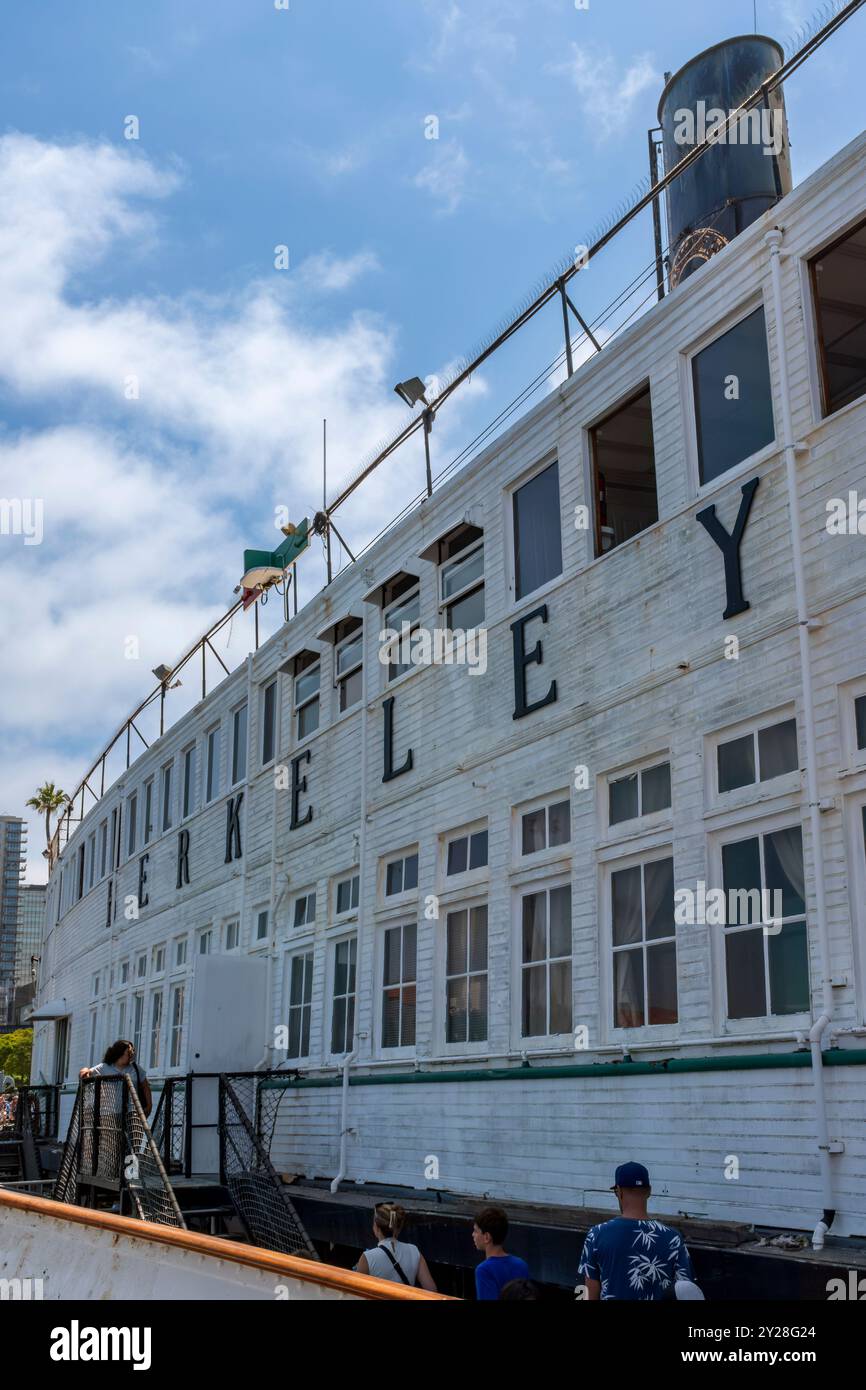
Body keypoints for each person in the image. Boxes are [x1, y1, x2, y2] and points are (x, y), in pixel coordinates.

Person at [578, 1162, 698, 1301]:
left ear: (619, 1191)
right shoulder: (673, 1238)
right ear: (649, 1191)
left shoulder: (597, 1235)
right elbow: (687, 1291)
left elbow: (590, 1295)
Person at [355, 1202, 438, 1291]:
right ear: (398, 1228)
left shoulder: (367, 1257)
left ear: (376, 1227)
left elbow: (355, 1292)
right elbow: (432, 1290)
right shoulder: (414, 1250)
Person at [79, 1039, 152, 1116]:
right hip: (110, 1115)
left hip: (132, 1114)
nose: (132, 1055)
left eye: (132, 1052)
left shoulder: (135, 1068)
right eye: (129, 1053)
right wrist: (84, 1071)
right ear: (120, 1053)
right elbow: (85, 1072)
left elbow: (146, 1086)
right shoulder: (105, 1067)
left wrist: (149, 1105)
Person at [472, 1206, 530, 1300]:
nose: (473, 1234)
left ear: (487, 1237)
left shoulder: (484, 1270)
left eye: (475, 1231)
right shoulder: (521, 1264)